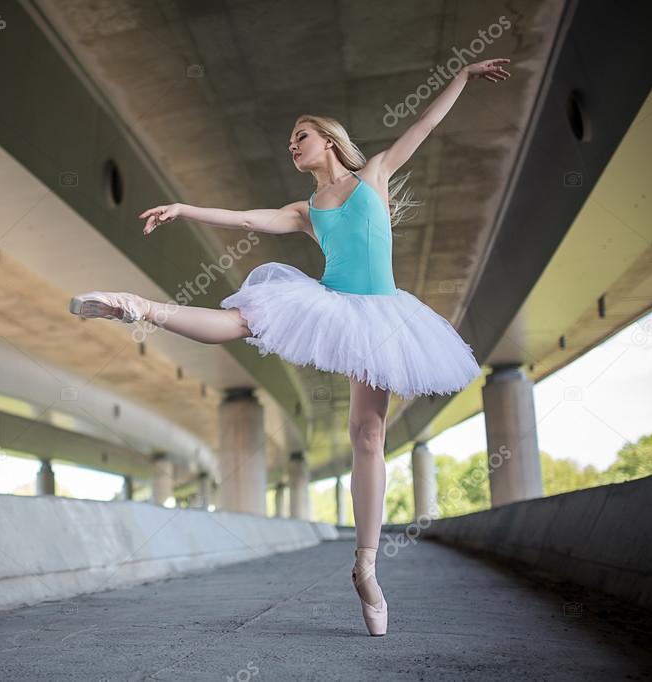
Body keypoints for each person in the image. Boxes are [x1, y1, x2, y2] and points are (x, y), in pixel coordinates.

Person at [69, 58, 512, 636]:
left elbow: (424, 126)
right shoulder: (306, 210)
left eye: (298, 137)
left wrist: (463, 77)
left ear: (327, 139)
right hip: (331, 300)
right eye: (288, 141)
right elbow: (248, 218)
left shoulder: (374, 173)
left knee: (369, 436)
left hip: (383, 313)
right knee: (242, 321)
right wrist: (184, 208)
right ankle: (138, 307)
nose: (291, 146)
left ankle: (366, 568)